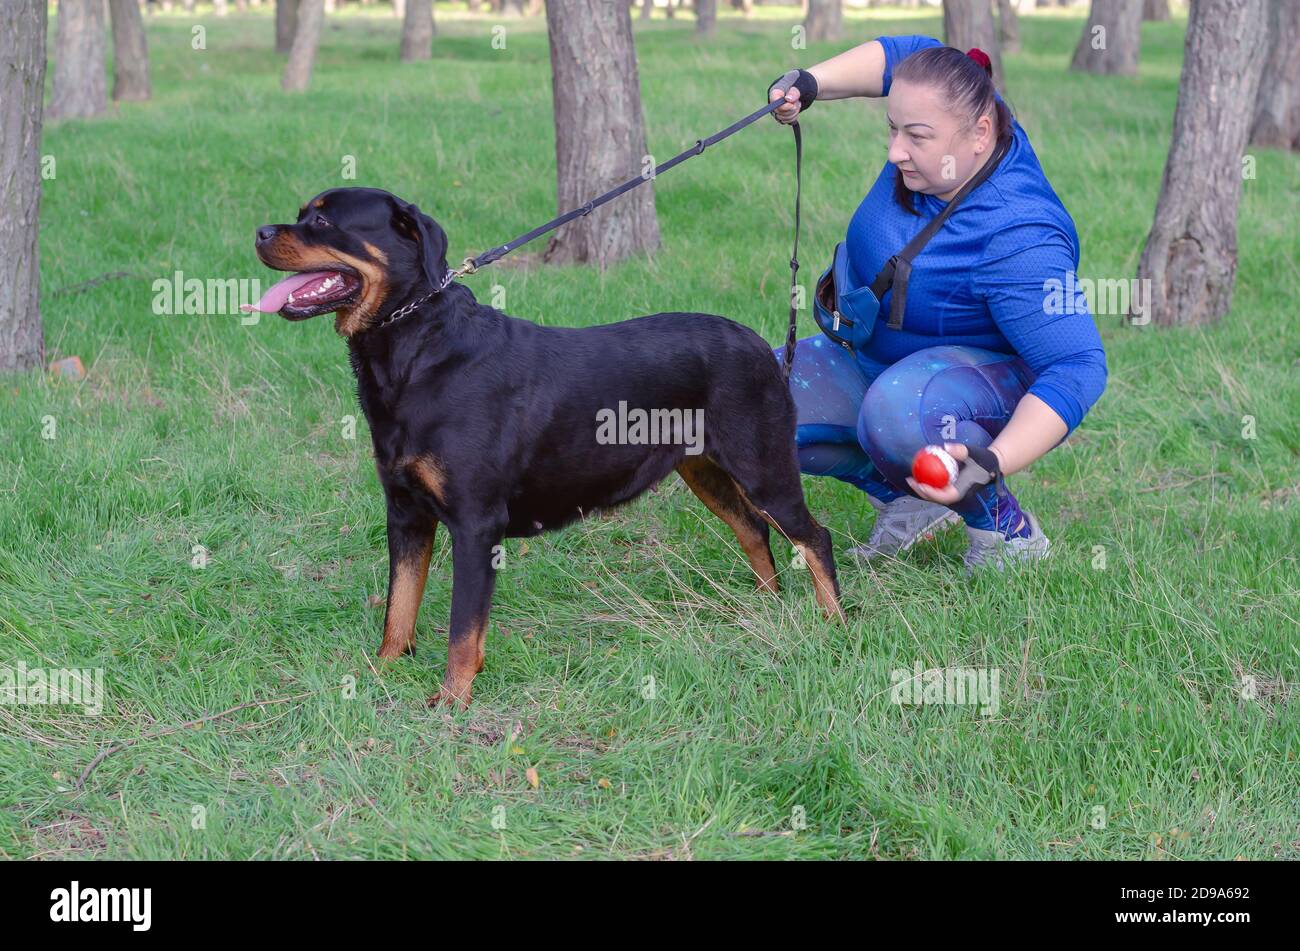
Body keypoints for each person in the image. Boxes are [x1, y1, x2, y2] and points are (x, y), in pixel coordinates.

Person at [767, 36, 1107, 570]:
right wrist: (808, 83)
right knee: (753, 403)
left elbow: (1077, 365)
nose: (895, 152)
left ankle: (1006, 532)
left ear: (980, 133)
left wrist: (987, 463)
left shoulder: (1019, 236)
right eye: (892, 128)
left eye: (917, 137)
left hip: (968, 386)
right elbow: (903, 56)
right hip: (874, 358)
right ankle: (912, 496)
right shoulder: (952, 91)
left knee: (898, 412)